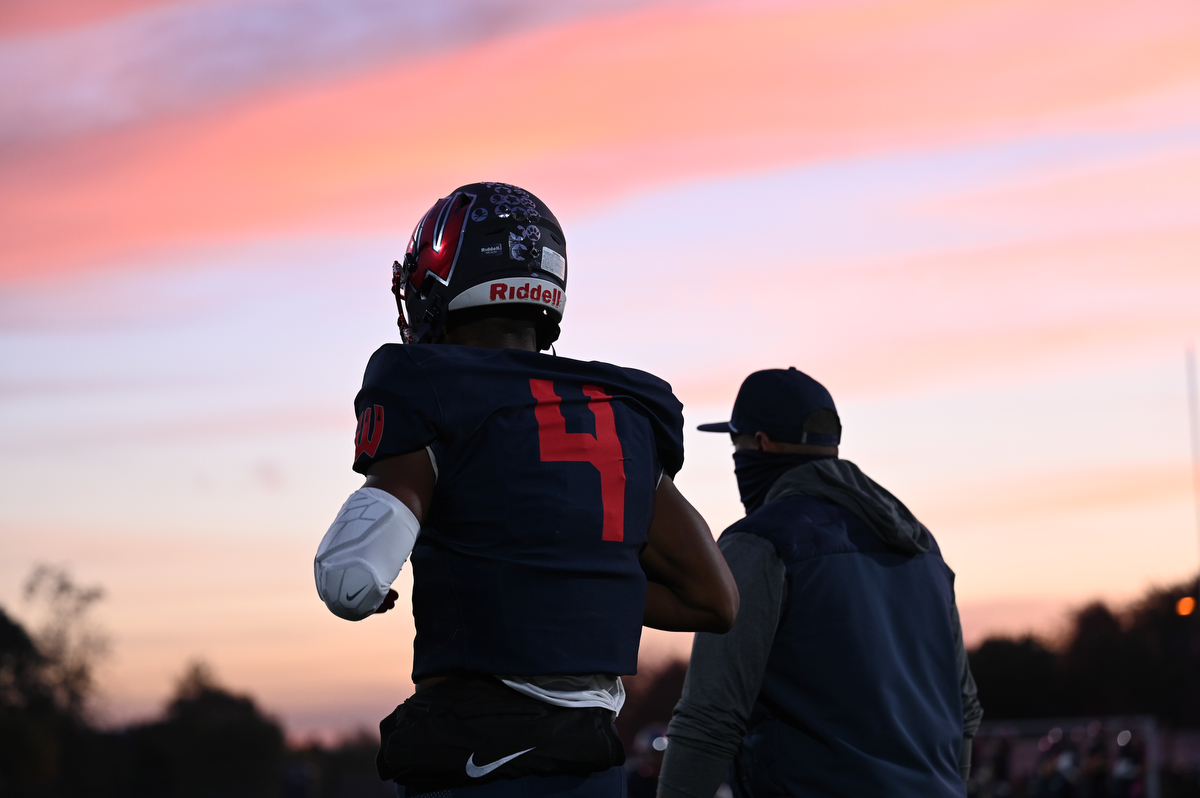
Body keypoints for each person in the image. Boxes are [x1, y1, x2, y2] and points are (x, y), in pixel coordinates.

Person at [312, 182, 738, 797]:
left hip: (480, 756)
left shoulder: (430, 387)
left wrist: (514, 573)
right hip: (594, 764)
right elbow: (715, 601)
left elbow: (350, 576)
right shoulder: (621, 412)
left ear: (440, 283)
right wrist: (567, 579)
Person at [658, 368, 983, 798]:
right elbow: (967, 710)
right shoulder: (921, 546)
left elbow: (710, 719)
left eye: (736, 444)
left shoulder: (758, 543)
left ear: (760, 444)